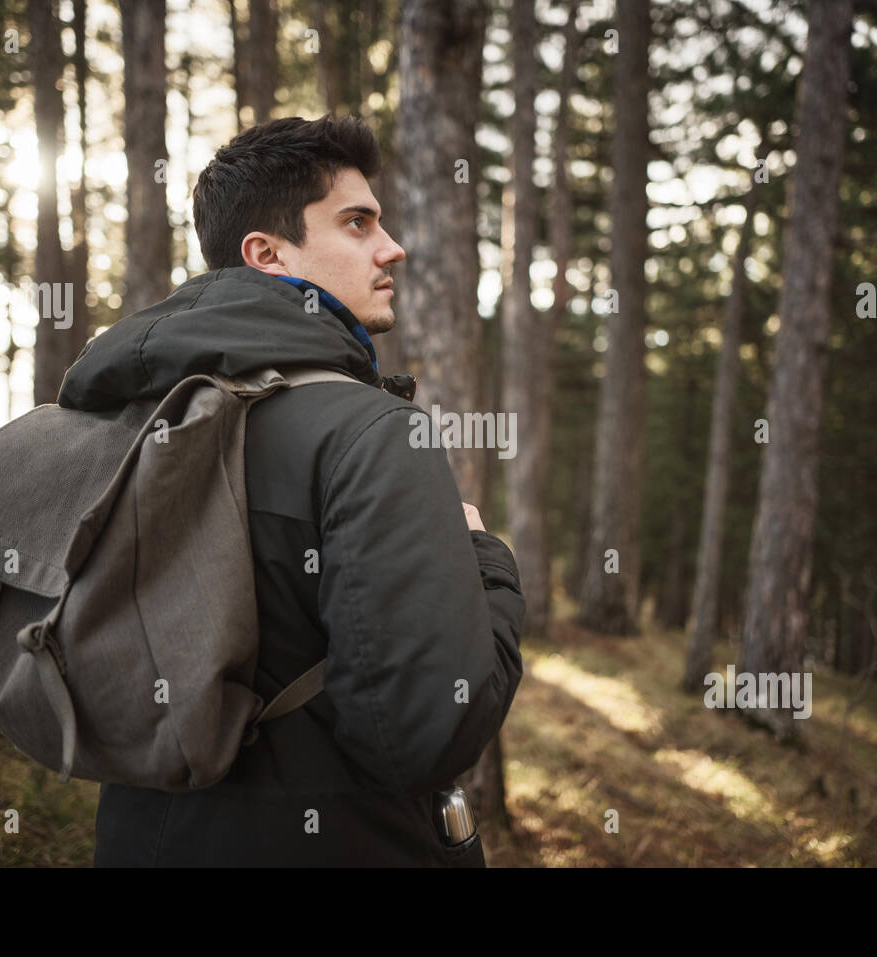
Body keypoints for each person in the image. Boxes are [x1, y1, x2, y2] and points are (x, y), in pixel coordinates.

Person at [57, 114, 526, 866]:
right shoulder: (370, 433)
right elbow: (422, 736)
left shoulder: (134, 415)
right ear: (267, 254)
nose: (391, 246)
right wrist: (486, 562)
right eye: (357, 222)